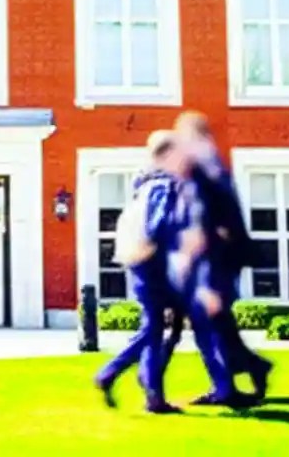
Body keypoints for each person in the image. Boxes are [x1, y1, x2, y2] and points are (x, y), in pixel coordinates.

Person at [167, 111, 272, 404]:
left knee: (209, 319)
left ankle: (233, 381)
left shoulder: (204, 169)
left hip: (215, 260)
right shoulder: (213, 167)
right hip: (219, 258)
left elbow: (206, 218)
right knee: (217, 322)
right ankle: (242, 375)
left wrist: (191, 256)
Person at [93, 130, 189, 414]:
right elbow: (158, 225)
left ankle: (154, 397)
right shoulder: (165, 184)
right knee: (156, 328)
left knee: (156, 326)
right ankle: (109, 373)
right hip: (154, 262)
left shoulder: (144, 183)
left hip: (138, 260)